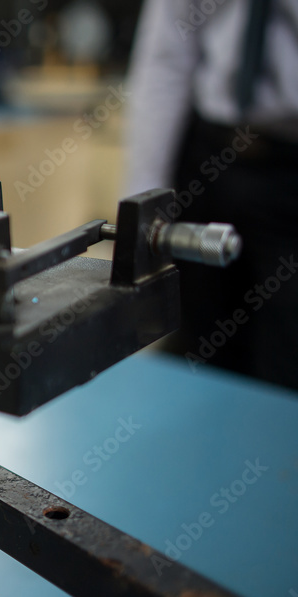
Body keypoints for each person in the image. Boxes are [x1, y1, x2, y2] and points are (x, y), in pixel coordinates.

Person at [126, 0, 298, 390]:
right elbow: (165, 58)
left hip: (290, 165)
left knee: (285, 362)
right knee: (198, 352)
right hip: (208, 157)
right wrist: (141, 208)